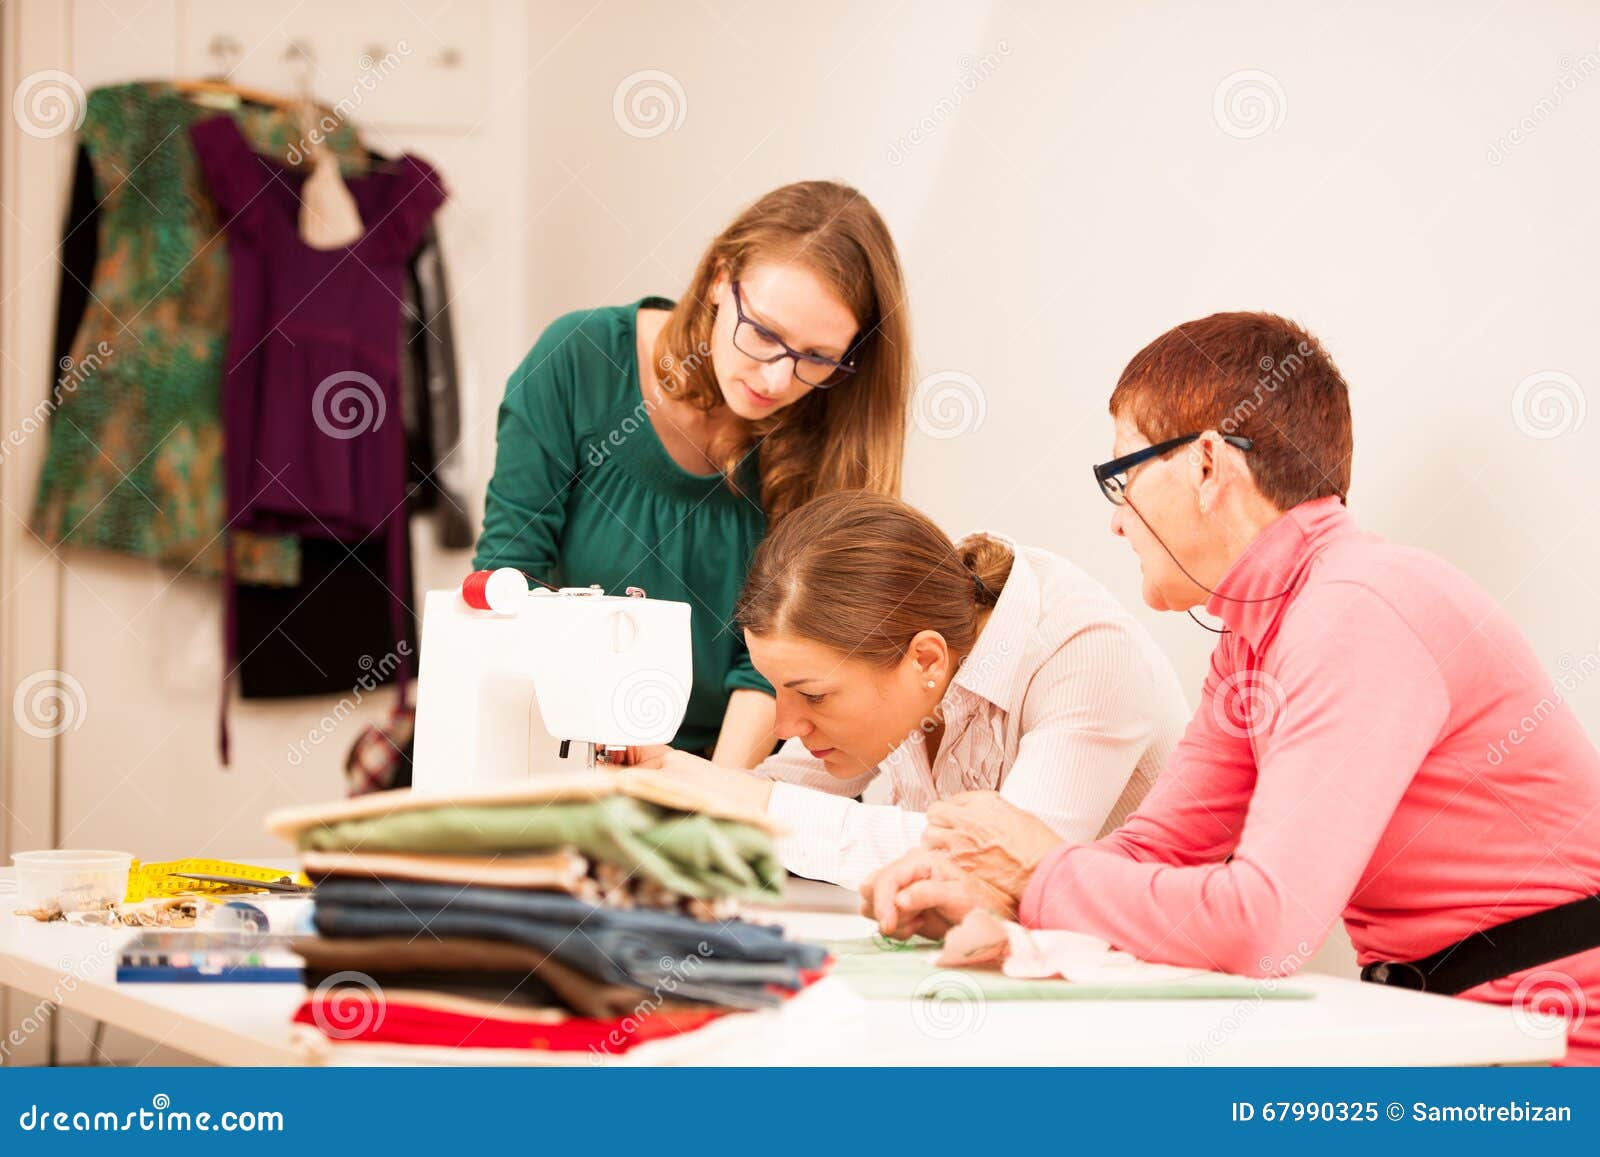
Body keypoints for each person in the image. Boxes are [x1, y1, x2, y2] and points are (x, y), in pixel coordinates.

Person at [865, 311, 1600, 1064]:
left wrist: (1038, 873)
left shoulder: (1355, 608)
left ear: (1208, 464)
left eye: (1122, 478)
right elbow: (1160, 847)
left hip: (1558, 1053)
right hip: (1464, 1035)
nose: (1118, 524)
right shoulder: (1261, 632)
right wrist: (1004, 897)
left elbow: (1266, 925)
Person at [473, 182, 912, 766]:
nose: (778, 381)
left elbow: (774, 663)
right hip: (563, 747)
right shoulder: (580, 361)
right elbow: (509, 582)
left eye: (817, 358)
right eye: (763, 334)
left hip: (725, 762)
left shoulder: (830, 427)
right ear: (717, 279)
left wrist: (709, 796)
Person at [643, 490, 1190, 888]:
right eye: (776, 690)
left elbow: (1006, 869)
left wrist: (750, 803)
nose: (785, 727)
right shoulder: (909, 629)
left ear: (924, 659)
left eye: (812, 695)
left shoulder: (1087, 656)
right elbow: (781, 797)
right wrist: (674, 805)